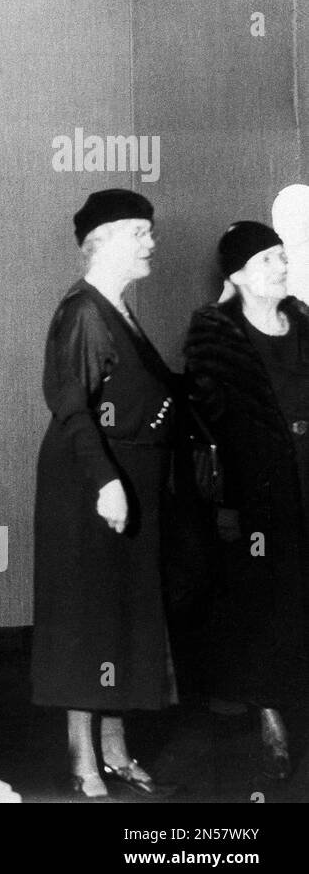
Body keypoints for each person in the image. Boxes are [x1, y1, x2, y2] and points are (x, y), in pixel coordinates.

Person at [30, 189, 178, 799]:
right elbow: (71, 407)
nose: (151, 242)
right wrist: (108, 483)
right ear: (105, 239)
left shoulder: (117, 309)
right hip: (90, 485)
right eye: (140, 232)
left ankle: (115, 751)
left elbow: (161, 391)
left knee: (121, 619)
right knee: (88, 619)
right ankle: (82, 759)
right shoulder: (84, 311)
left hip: (128, 480)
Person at [183, 221, 309, 780]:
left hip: (307, 483)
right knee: (262, 604)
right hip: (256, 495)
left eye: (283, 256)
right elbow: (207, 426)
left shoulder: (304, 324)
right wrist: (227, 504)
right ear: (238, 275)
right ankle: (270, 716)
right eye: (268, 260)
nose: (282, 266)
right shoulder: (217, 334)